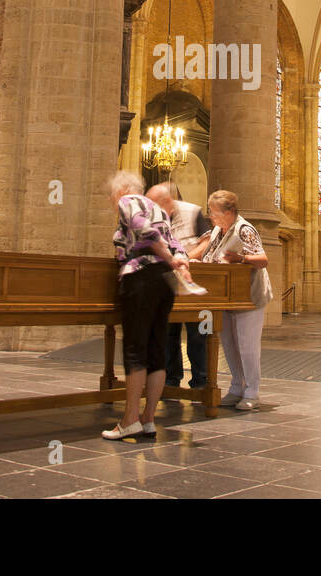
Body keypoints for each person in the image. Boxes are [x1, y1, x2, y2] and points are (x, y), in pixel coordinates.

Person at [103, 171, 189, 440]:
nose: (112, 199)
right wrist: (179, 262)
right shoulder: (160, 210)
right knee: (156, 350)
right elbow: (176, 243)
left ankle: (129, 420)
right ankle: (148, 419)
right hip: (165, 283)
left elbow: (145, 231)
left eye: (112, 194)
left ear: (122, 190)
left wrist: (168, 257)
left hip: (141, 279)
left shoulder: (129, 201)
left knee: (135, 349)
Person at [200, 190, 270, 409]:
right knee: (229, 344)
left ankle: (252, 392)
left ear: (229, 212)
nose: (211, 216)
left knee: (247, 346)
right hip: (226, 296)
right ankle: (236, 388)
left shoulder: (245, 229)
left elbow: (263, 260)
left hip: (248, 295)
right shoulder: (217, 232)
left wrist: (240, 258)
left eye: (214, 212)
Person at [146, 181, 211, 398]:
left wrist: (185, 259)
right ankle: (171, 380)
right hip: (167, 280)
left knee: (197, 334)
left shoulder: (192, 212)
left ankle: (200, 381)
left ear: (169, 201)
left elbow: (207, 241)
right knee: (168, 333)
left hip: (192, 279)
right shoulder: (154, 216)